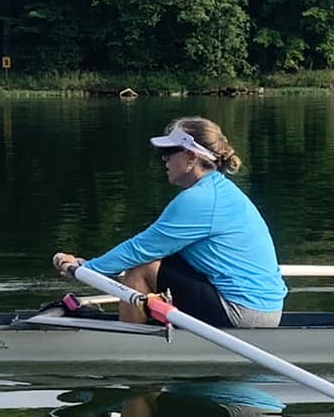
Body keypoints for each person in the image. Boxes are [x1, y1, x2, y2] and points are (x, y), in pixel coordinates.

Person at [52, 116, 286, 328]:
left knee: (141, 268)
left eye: (170, 151)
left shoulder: (199, 199)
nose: (164, 158)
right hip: (261, 307)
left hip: (244, 313)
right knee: (158, 262)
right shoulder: (217, 190)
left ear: (191, 157)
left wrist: (84, 269)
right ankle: (144, 320)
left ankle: (127, 345)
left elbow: (139, 249)